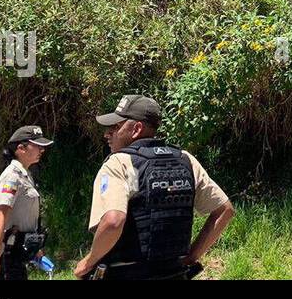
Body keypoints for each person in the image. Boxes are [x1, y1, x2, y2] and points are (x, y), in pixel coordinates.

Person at [73, 94, 234, 281]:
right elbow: (225, 211)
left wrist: (88, 262)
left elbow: (113, 222)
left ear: (136, 129)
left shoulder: (119, 163)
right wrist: (192, 257)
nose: (107, 134)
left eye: (116, 127)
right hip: (174, 274)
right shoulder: (185, 160)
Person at [0, 125, 53, 281]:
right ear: (21, 148)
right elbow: (0, 219)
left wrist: (36, 250)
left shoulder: (25, 175)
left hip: (18, 253)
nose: (42, 150)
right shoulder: (11, 177)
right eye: (37, 146)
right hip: (7, 255)